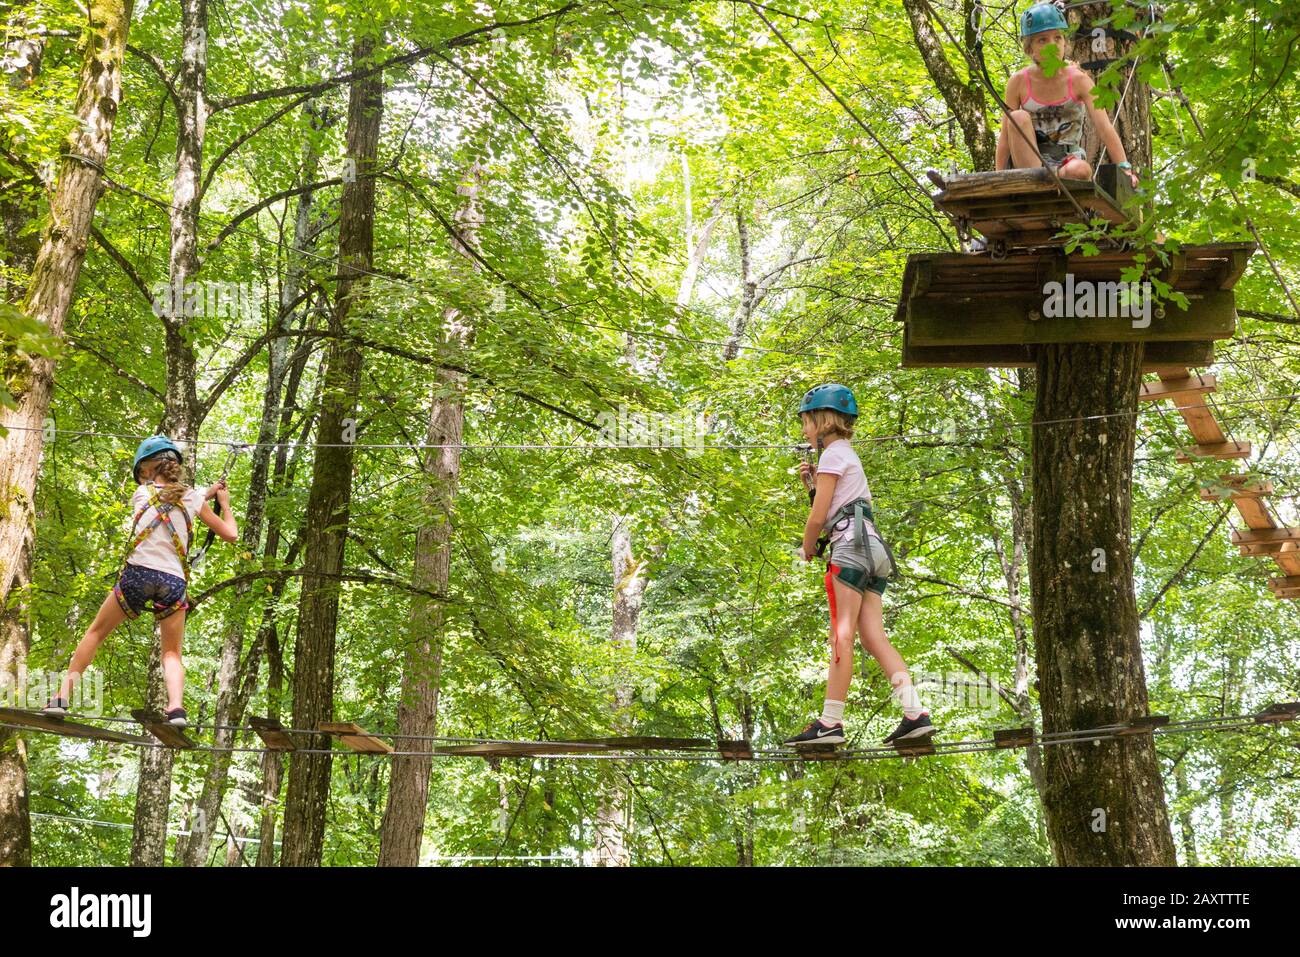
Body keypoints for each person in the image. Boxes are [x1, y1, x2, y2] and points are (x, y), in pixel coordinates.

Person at [43, 436, 238, 727]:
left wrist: (205, 495)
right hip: (173, 582)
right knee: (171, 652)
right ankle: (176, 710)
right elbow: (230, 533)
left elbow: (168, 499)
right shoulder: (194, 499)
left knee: (95, 633)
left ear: (147, 469)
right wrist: (223, 502)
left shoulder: (141, 493)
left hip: (138, 574)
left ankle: (61, 698)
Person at [784, 384, 934, 747]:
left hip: (850, 548)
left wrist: (806, 549)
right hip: (873, 549)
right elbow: (837, 504)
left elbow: (819, 518)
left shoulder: (834, 455)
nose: (804, 431)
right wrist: (812, 483)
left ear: (821, 421)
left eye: (806, 422)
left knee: (842, 634)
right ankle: (915, 713)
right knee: (873, 636)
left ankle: (830, 722)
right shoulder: (845, 455)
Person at [996, 2, 1141, 188]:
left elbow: (1103, 127)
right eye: (1042, 40)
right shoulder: (1018, 82)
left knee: (1081, 170)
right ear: (1029, 48)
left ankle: (1049, 183)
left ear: (1065, 43)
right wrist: (997, 177)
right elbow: (1005, 138)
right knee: (1016, 117)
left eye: (1057, 38)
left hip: (1067, 161)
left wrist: (1125, 167)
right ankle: (1035, 184)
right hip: (1030, 161)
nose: (1052, 45)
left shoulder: (1079, 80)